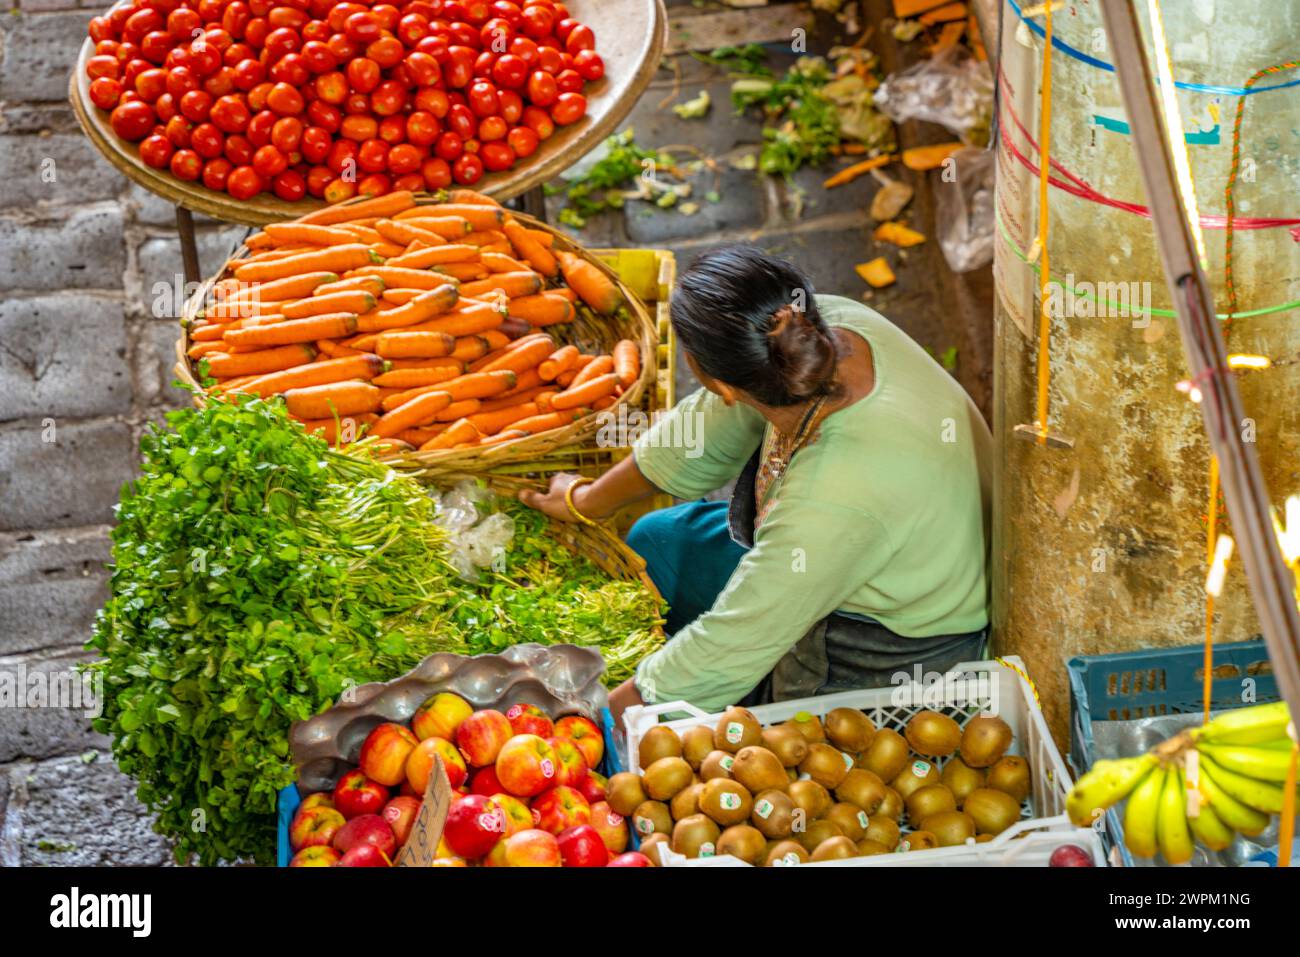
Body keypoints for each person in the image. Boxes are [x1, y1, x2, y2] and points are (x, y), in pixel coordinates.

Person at [520, 245, 991, 725]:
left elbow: (733, 645)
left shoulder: (833, 496)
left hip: (895, 640)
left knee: (780, 731)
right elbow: (700, 434)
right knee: (657, 541)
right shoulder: (813, 335)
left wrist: (587, 722)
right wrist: (585, 502)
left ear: (721, 382)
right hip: (851, 547)